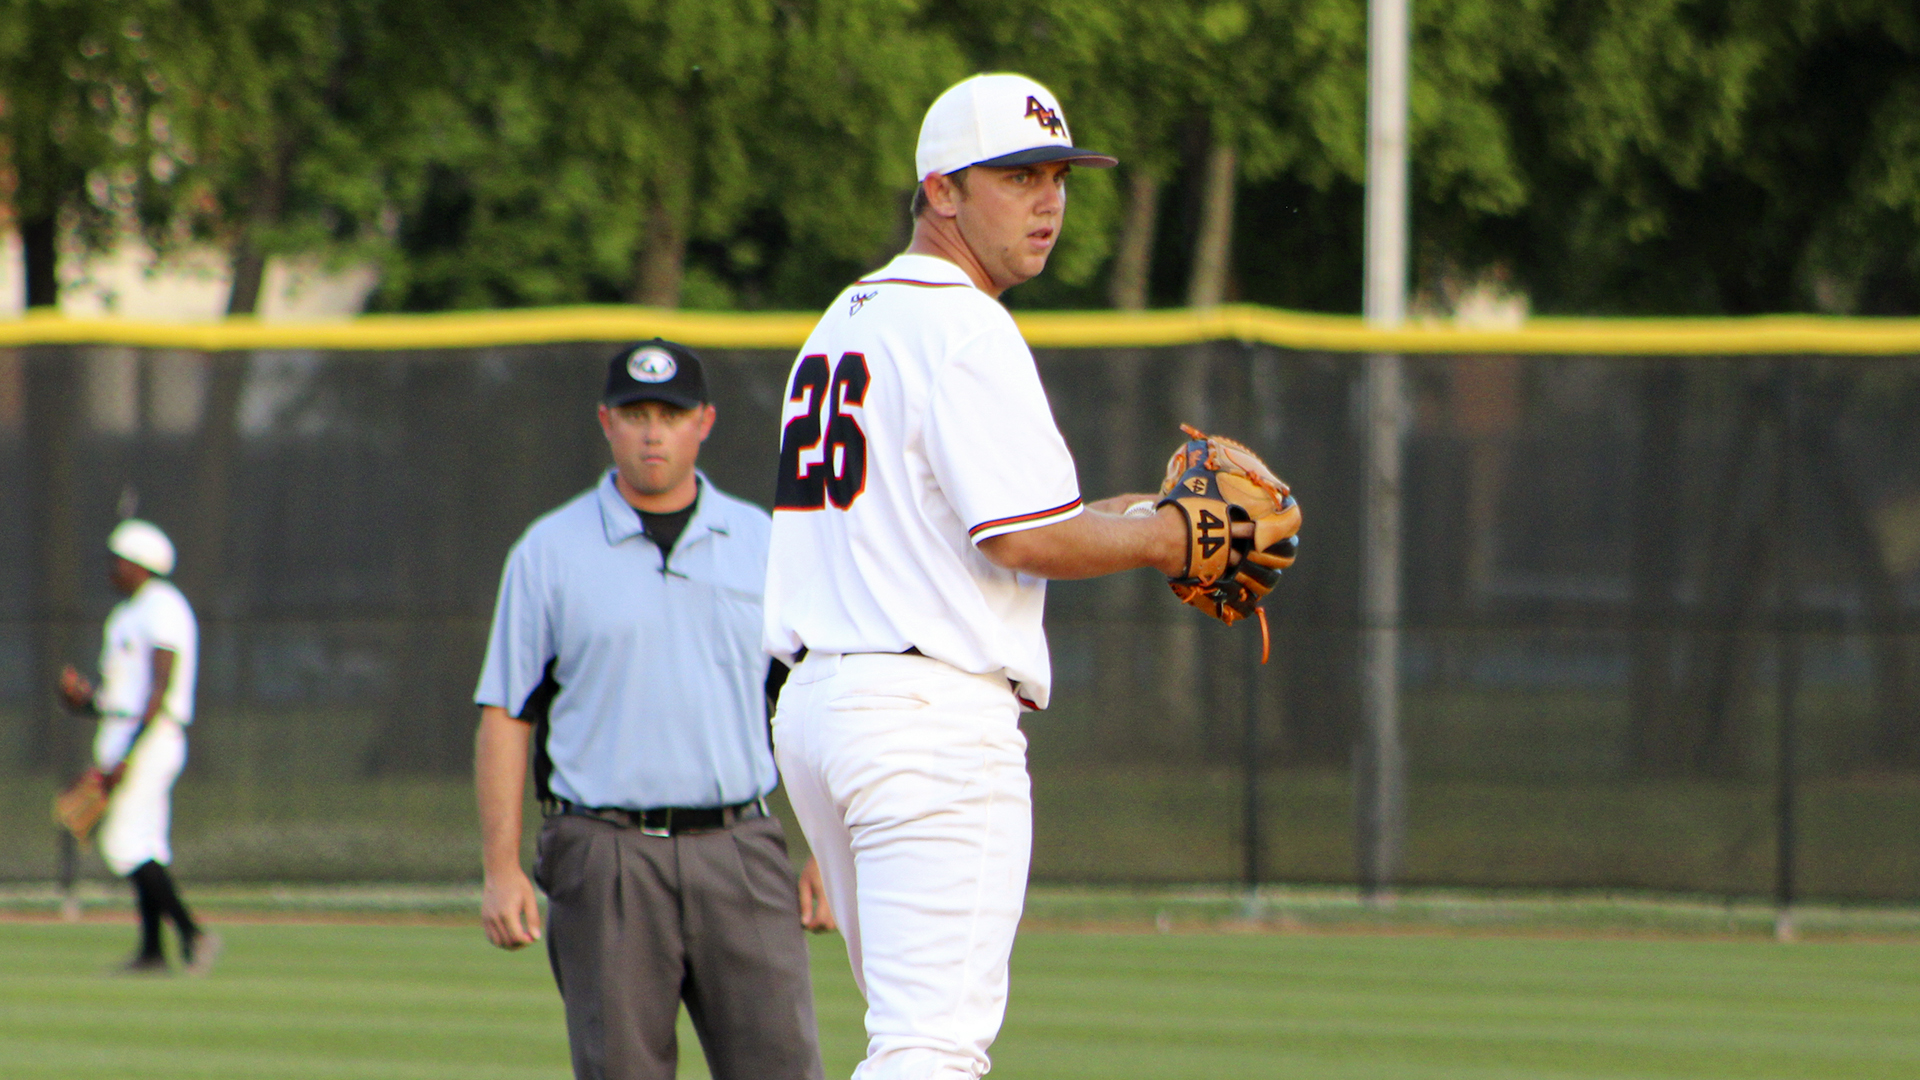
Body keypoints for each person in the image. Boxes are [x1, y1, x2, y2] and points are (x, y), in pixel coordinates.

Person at [764, 73, 1192, 1079]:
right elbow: (1023, 540)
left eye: (1058, 178)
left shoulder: (847, 316)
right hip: (928, 720)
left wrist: (1145, 514)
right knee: (931, 1045)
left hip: (825, 712)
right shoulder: (966, 328)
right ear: (941, 191)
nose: (1048, 201)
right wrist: (1168, 540)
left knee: (910, 1032)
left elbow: (988, 520)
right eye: (1017, 177)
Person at [475, 339, 834, 1080]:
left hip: (739, 844)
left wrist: (830, 850)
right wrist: (501, 868)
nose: (652, 433)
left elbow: (814, 703)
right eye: (635, 414)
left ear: (704, 422)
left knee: (783, 1067)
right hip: (604, 850)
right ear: (606, 422)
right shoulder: (548, 551)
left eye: (669, 415)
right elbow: (507, 714)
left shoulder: (763, 543)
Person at [58, 518, 220, 976]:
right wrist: (82, 700)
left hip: (150, 738)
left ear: (142, 564)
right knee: (147, 844)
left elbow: (159, 689)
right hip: (124, 734)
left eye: (120, 561)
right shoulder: (126, 615)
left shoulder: (163, 606)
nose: (112, 568)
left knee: (122, 843)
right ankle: (153, 952)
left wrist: (128, 756)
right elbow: (119, 698)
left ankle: (193, 934)